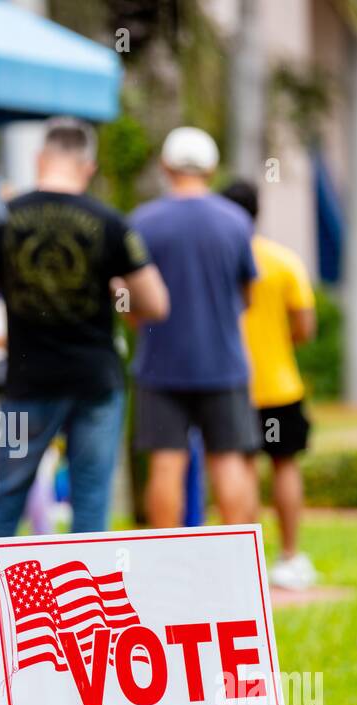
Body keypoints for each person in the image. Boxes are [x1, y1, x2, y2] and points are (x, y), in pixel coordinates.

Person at [0, 116, 169, 652]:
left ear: (41, 159)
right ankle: (93, 633)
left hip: (26, 384)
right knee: (89, 502)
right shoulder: (110, 223)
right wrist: (118, 296)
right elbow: (156, 303)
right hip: (96, 382)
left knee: (6, 499)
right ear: (87, 167)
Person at [130, 127, 260, 528]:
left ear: (166, 166)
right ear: (212, 168)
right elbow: (247, 296)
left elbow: (132, 302)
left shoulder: (142, 222)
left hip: (160, 366)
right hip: (224, 364)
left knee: (166, 463)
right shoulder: (236, 222)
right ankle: (239, 557)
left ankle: (165, 559)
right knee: (228, 461)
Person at [220, 180, 319, 590]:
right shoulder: (283, 260)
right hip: (279, 386)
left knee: (240, 467)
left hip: (230, 384)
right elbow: (306, 327)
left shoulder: (219, 263)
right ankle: (290, 557)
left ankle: (244, 562)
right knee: (284, 464)